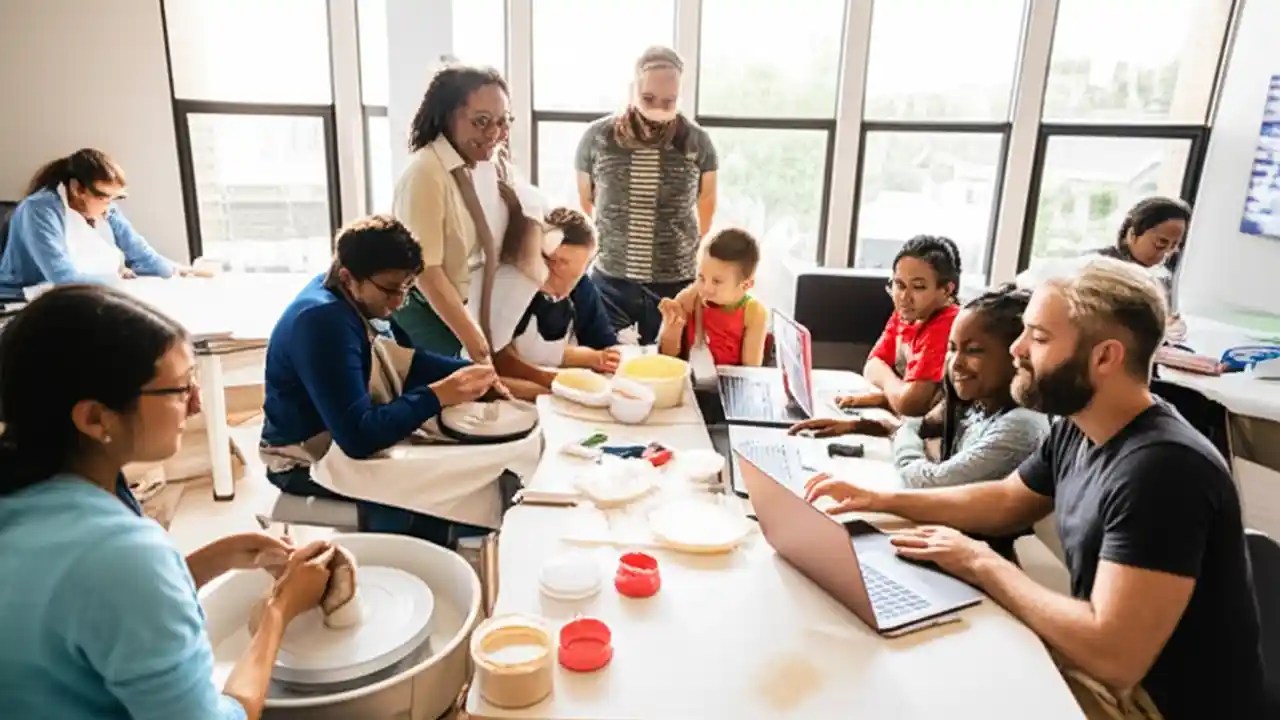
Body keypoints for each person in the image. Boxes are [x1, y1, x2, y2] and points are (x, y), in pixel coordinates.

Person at [806, 257, 1265, 719]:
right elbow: (1007, 500)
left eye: (1039, 338)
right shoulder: (1081, 420)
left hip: (1150, 703)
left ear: (1105, 356)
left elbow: (1114, 658)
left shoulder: (1165, 470)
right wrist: (880, 499)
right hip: (1110, 670)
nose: (1017, 349)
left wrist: (981, 563)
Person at [0, 284, 333, 720]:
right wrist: (280, 608)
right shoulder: (122, 555)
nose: (195, 405)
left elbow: (84, 610)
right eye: (178, 390)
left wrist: (218, 558)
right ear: (95, 417)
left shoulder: (28, 490)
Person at [260, 215, 504, 547]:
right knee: (440, 494)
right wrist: (438, 395)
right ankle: (409, 567)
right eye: (390, 289)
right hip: (305, 458)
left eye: (408, 287)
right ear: (348, 277)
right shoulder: (322, 321)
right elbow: (358, 438)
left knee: (464, 468)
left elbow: (401, 360)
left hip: (343, 434)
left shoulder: (350, 296)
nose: (400, 301)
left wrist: (465, 375)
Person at [792, 284, 1048, 490]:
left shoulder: (1021, 425)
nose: (955, 364)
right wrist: (857, 426)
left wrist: (903, 434)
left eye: (973, 351)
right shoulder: (979, 403)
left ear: (1017, 353)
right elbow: (918, 425)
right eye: (952, 349)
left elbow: (929, 482)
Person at [576, 46, 719, 344]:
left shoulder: (697, 141)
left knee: (668, 368)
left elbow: (706, 201)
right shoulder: (597, 137)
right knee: (607, 365)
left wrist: (692, 253)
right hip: (610, 278)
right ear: (633, 89)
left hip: (675, 281)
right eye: (649, 98)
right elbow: (587, 200)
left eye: (669, 101)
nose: (658, 107)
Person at [392, 64, 517, 359]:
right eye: (481, 121)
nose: (494, 134)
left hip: (456, 304)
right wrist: (472, 337)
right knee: (469, 390)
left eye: (502, 122)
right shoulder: (426, 174)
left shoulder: (475, 168)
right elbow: (427, 271)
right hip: (424, 310)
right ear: (448, 116)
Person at [0, 149, 202, 297]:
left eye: (115, 198)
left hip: (89, 293)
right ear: (77, 188)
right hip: (25, 297)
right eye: (103, 196)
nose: (109, 204)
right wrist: (120, 281)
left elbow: (140, 251)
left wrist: (178, 271)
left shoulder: (107, 207)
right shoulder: (39, 209)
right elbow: (63, 278)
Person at [488, 202, 620, 391]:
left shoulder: (582, 289)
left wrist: (601, 359)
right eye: (556, 273)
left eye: (573, 278)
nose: (562, 290)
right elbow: (498, 356)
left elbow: (603, 344)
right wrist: (548, 379)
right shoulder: (514, 286)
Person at [838, 235, 962, 417]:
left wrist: (888, 385)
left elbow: (909, 404)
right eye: (899, 285)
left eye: (918, 287)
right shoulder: (907, 313)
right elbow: (872, 366)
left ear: (946, 290)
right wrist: (896, 391)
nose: (904, 297)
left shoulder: (948, 324)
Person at [656, 228, 769, 367]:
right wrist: (671, 330)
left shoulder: (754, 313)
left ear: (746, 285)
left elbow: (750, 372)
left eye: (717, 282)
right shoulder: (690, 299)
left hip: (729, 385)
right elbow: (667, 360)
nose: (706, 289)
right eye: (701, 277)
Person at [1093, 196, 1191, 340]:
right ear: (1132, 234)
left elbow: (1169, 319)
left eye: (1174, 246)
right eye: (1160, 243)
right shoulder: (1099, 269)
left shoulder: (1162, 277)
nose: (1165, 254)